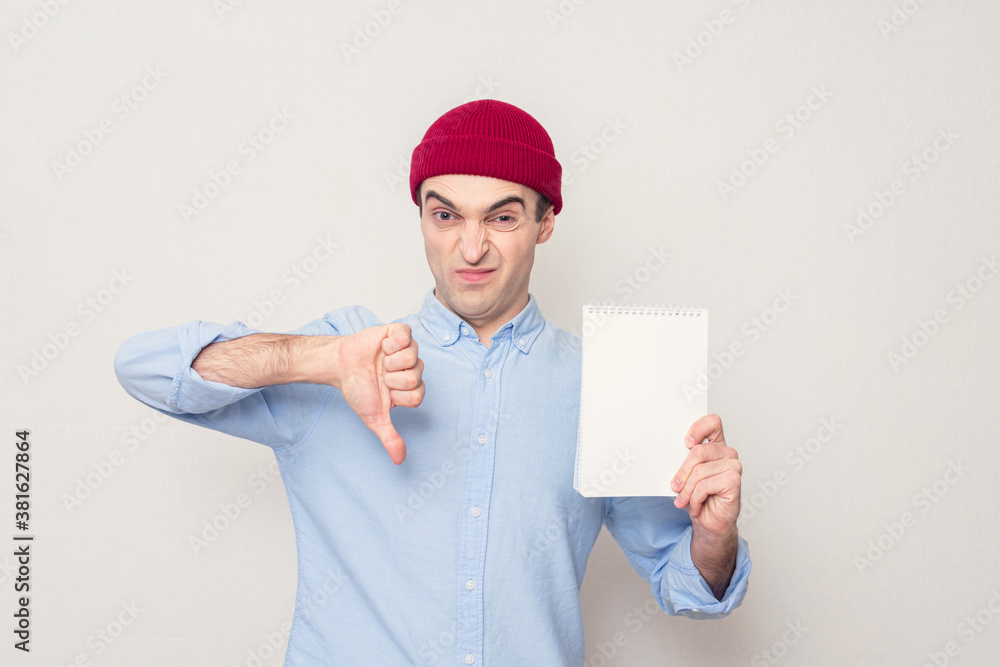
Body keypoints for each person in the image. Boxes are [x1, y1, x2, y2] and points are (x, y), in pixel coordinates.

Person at [114, 99, 751, 666]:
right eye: (445, 216)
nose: (470, 248)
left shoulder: (613, 381)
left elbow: (687, 588)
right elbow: (144, 368)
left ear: (546, 221)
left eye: (501, 219)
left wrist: (713, 536)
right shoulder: (345, 352)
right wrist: (319, 359)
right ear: (421, 216)